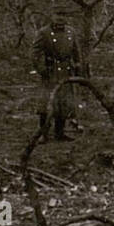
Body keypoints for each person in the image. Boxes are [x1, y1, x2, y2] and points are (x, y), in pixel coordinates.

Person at [34, 11, 81, 141]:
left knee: (63, 103)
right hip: (51, 71)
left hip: (66, 70)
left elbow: (76, 51)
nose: (60, 18)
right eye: (57, 15)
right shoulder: (44, 32)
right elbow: (35, 53)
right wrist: (42, 69)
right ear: (52, 17)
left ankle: (59, 133)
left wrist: (77, 66)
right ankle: (43, 134)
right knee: (46, 103)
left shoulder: (71, 32)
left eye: (63, 15)